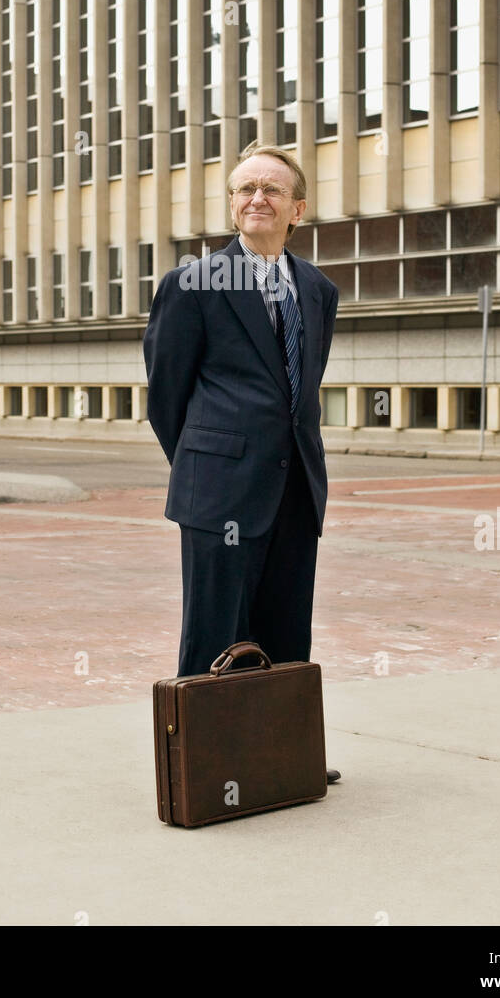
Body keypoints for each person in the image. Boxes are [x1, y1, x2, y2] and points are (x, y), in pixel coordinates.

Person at [142, 143, 341, 781]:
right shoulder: (193, 284)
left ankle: (282, 761)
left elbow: (300, 392)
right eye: (245, 188)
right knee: (213, 635)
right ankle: (203, 771)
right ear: (232, 205)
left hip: (295, 490)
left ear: (297, 209)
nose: (257, 198)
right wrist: (207, 467)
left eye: (272, 191)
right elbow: (166, 396)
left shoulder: (318, 289)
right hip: (219, 490)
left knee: (288, 631)